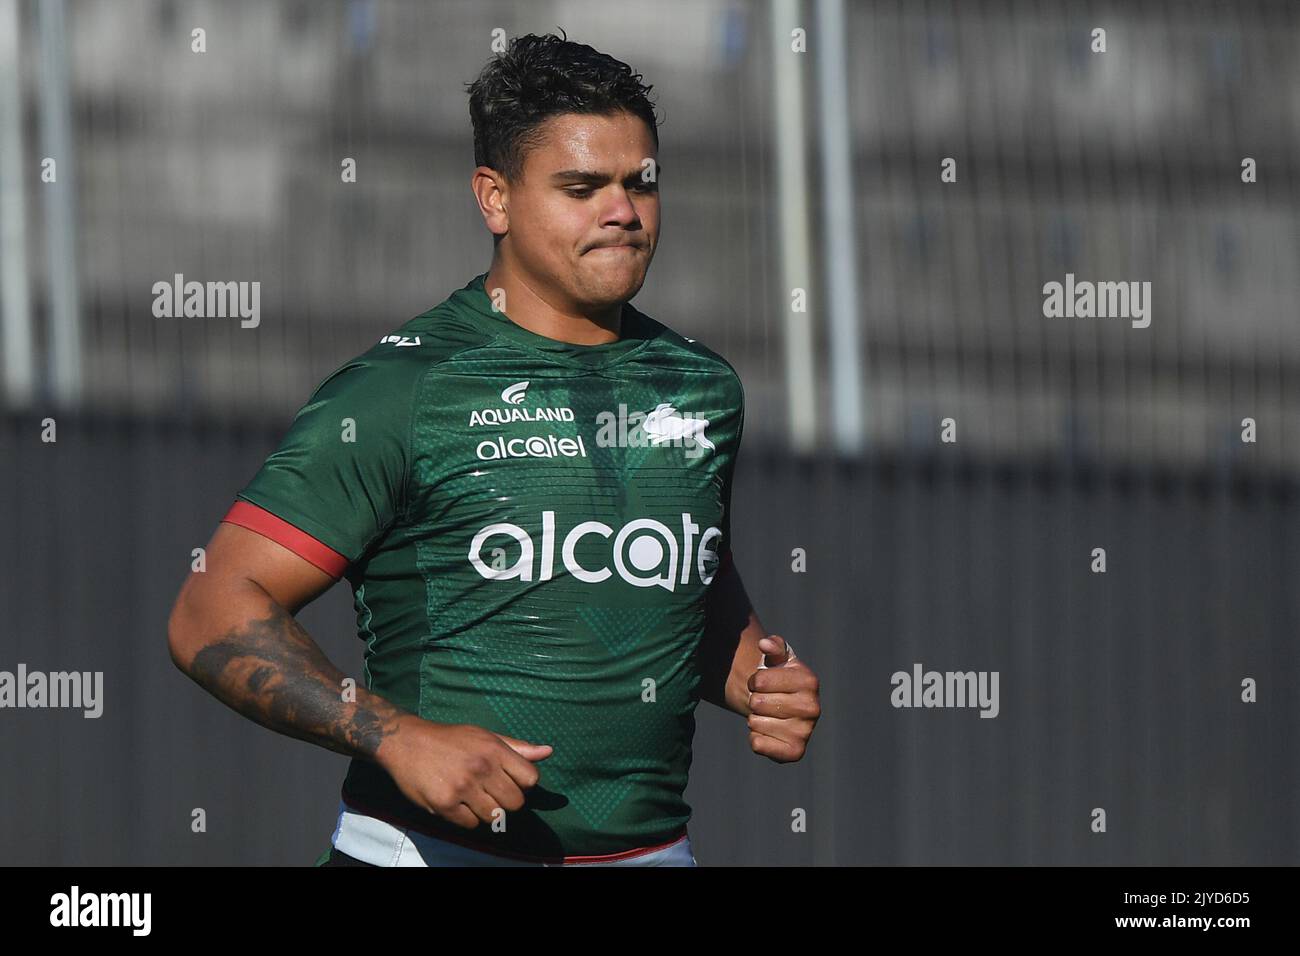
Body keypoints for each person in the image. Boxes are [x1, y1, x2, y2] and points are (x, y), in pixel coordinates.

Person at [167, 29, 821, 868]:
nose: (621, 210)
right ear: (495, 198)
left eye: (640, 183)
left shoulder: (700, 386)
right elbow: (209, 610)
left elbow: (677, 582)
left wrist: (752, 677)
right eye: (582, 187)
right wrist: (397, 736)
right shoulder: (404, 391)